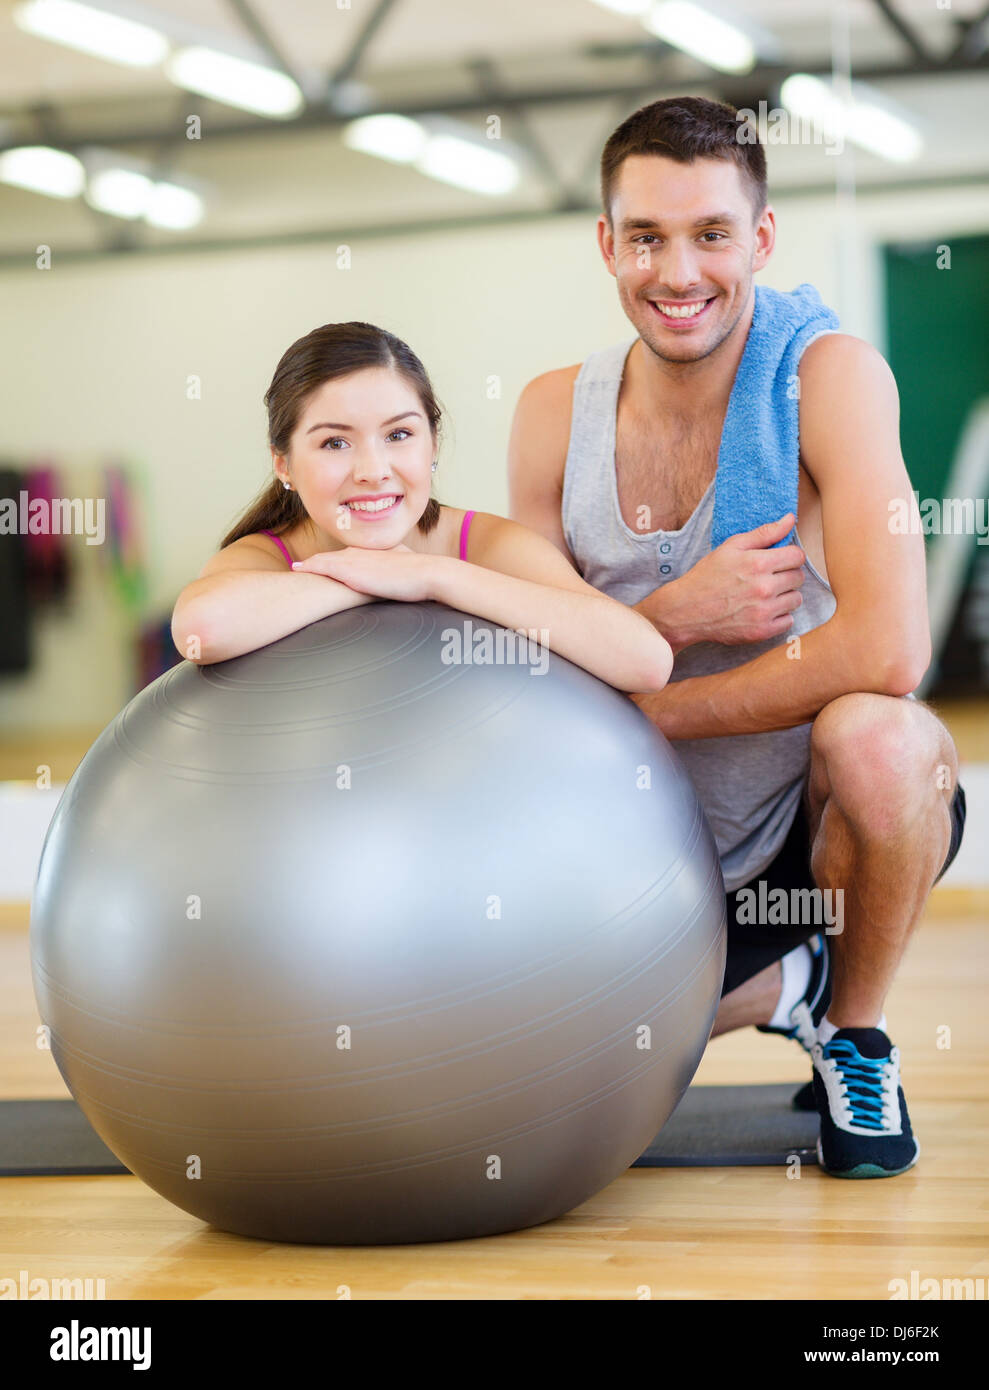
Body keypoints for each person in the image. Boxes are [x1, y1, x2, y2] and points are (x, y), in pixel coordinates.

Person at [507, 96, 966, 1179]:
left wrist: (648, 705)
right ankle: (792, 986)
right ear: (605, 245)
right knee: (523, 1066)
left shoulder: (830, 378)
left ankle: (852, 1028)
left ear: (758, 239)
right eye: (646, 237)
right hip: (627, 853)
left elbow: (890, 651)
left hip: (793, 839)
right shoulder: (545, 414)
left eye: (710, 234)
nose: (678, 272)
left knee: (879, 736)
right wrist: (673, 617)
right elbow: (527, 659)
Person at [170, 320, 673, 702]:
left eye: (398, 435)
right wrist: (364, 577)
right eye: (334, 443)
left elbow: (645, 661)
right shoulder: (266, 556)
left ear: (433, 443)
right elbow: (202, 630)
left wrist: (433, 577)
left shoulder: (485, 544)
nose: (373, 469)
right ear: (283, 462)